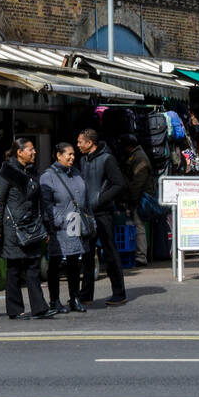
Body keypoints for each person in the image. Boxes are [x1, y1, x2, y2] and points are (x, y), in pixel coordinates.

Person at [0, 138, 55, 319]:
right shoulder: (7, 172)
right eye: (30, 150)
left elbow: (40, 202)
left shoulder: (33, 172)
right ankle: (15, 310)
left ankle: (39, 307)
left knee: (33, 267)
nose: (34, 153)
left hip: (32, 226)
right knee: (14, 269)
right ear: (20, 152)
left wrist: (47, 227)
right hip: (13, 229)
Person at [77, 129, 128, 306]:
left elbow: (119, 184)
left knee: (110, 252)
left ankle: (119, 293)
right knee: (87, 254)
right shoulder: (83, 159)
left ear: (90, 143)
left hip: (103, 212)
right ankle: (86, 295)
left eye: (80, 142)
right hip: (86, 213)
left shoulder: (107, 159)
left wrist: (100, 199)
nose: (78, 145)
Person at [40, 143, 89, 314]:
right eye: (68, 154)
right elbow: (46, 203)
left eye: (73, 154)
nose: (72, 157)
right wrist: (58, 220)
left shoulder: (75, 172)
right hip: (58, 225)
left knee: (74, 262)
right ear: (58, 155)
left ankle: (75, 299)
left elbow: (84, 198)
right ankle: (54, 301)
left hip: (74, 221)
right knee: (55, 262)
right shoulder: (48, 176)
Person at [118, 134, 152, 267]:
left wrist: (133, 199)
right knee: (136, 225)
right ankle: (137, 254)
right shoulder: (135, 156)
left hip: (141, 197)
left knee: (138, 225)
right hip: (137, 196)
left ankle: (141, 256)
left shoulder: (139, 158)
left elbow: (138, 182)